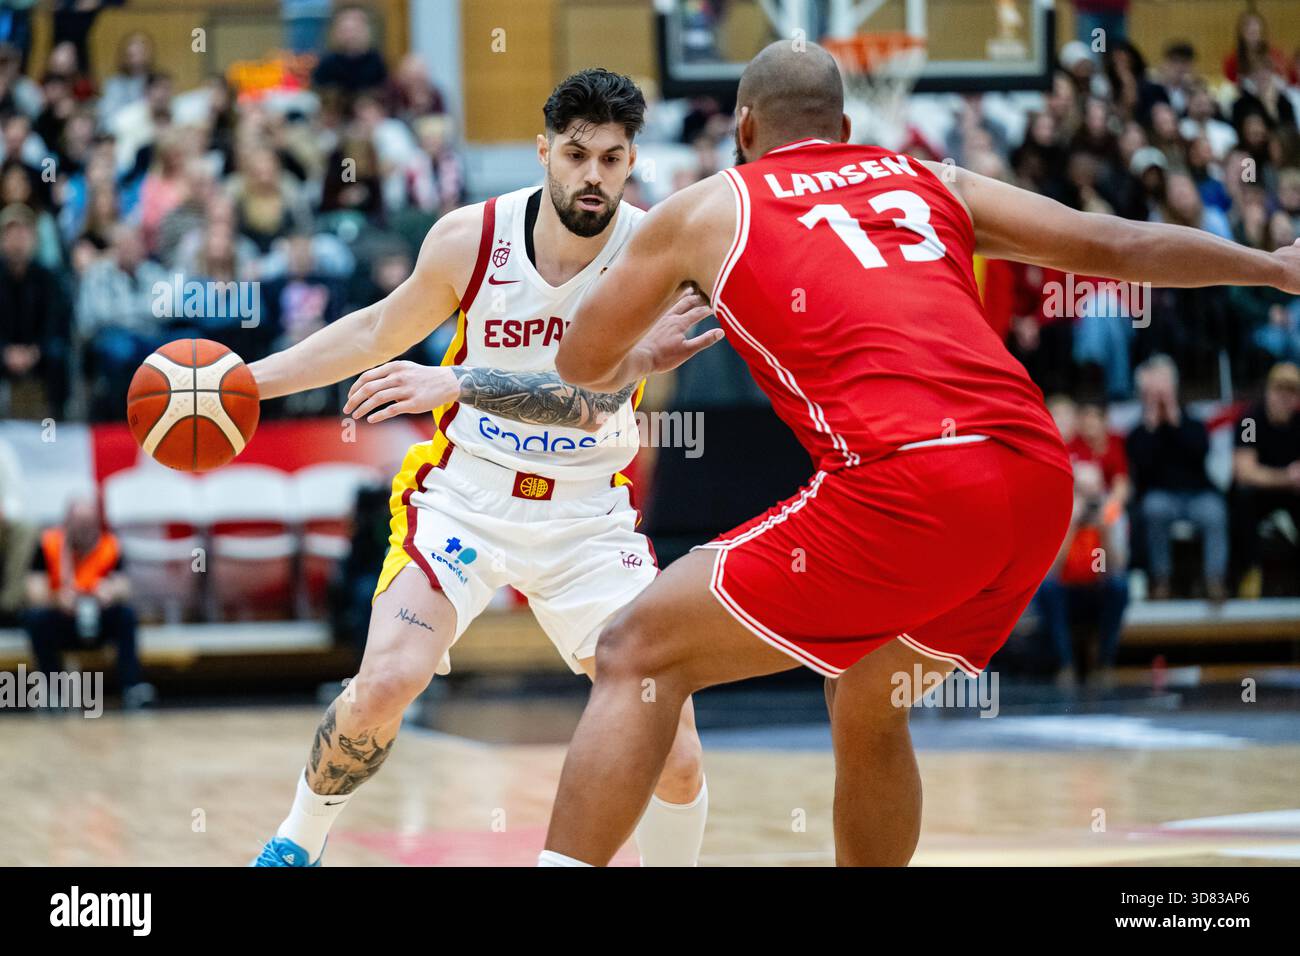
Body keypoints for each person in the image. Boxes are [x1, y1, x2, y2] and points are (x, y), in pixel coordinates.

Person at [537, 41, 1300, 867]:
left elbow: (580, 362)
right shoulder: (931, 177)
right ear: (848, 125)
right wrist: (1269, 265)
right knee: (869, 694)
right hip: (1035, 480)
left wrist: (645, 338)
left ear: (745, 127)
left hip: (913, 485)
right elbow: (1111, 245)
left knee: (633, 651)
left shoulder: (709, 207)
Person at [247, 70, 712, 868]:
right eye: (576, 154)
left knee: (672, 746)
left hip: (587, 519)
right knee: (386, 683)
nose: (593, 175)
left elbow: (596, 402)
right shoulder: (472, 236)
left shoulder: (655, 250)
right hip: (466, 496)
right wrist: (247, 382)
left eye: (611, 157)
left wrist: (456, 381)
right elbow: (373, 332)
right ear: (544, 152)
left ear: (632, 160)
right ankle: (297, 841)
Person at [22, 496, 154, 709]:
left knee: (126, 615)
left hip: (99, 615)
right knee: (36, 620)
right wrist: (57, 599)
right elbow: (33, 591)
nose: (84, 530)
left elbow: (125, 586)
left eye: (89, 523)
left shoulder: (109, 545)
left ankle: (132, 687)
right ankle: (53, 691)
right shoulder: (49, 544)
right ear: (67, 522)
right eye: (79, 523)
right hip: (63, 618)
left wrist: (110, 591)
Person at [1126, 355, 1228, 601]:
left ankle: (1215, 579)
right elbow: (1142, 469)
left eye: (1165, 388)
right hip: (1161, 496)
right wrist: (1151, 426)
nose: (1160, 396)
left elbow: (1199, 454)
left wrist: (1175, 420)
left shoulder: (1193, 423)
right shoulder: (1139, 431)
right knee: (1154, 508)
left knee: (1215, 512)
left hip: (1197, 493)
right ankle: (1161, 579)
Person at [1232, 361, 1300, 595]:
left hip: (1291, 491)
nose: (1284, 398)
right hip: (1259, 491)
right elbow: (1245, 472)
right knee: (1243, 499)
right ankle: (1249, 571)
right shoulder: (1250, 420)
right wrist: (1287, 477)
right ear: (1269, 391)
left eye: (1291, 392)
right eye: (1280, 390)